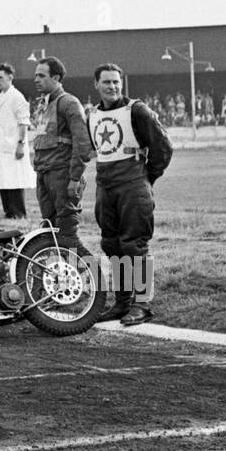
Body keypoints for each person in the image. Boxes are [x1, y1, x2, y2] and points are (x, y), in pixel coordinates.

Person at [88, 62, 173, 327]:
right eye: (106, 82)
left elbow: (163, 147)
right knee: (111, 244)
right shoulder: (91, 114)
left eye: (116, 82)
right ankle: (122, 302)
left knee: (134, 244)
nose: (112, 87)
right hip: (105, 186)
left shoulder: (137, 110)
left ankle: (142, 303)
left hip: (133, 183)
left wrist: (147, 178)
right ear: (96, 85)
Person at [30, 57, 94, 258]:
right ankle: (67, 283)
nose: (36, 80)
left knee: (68, 238)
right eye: (35, 75)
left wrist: (74, 178)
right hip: (44, 175)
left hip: (63, 176)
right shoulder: (43, 104)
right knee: (50, 235)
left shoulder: (68, 103)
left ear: (56, 77)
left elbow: (82, 144)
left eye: (41, 75)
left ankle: (96, 284)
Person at [0, 62, 33, 220]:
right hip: (1, 146)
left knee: (14, 180)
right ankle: (9, 211)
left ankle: (18, 213)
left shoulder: (17, 97)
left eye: (1, 77)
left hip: (14, 145)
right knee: (3, 180)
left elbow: (23, 122)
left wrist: (21, 144)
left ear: (10, 77)